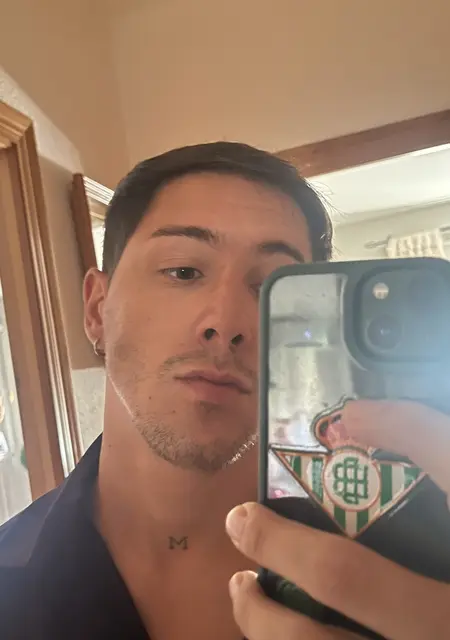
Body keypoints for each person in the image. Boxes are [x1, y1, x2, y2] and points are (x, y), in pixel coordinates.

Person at [0, 142, 448, 639]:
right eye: (183, 271)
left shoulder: (418, 565)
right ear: (96, 310)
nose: (227, 322)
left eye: (270, 286)